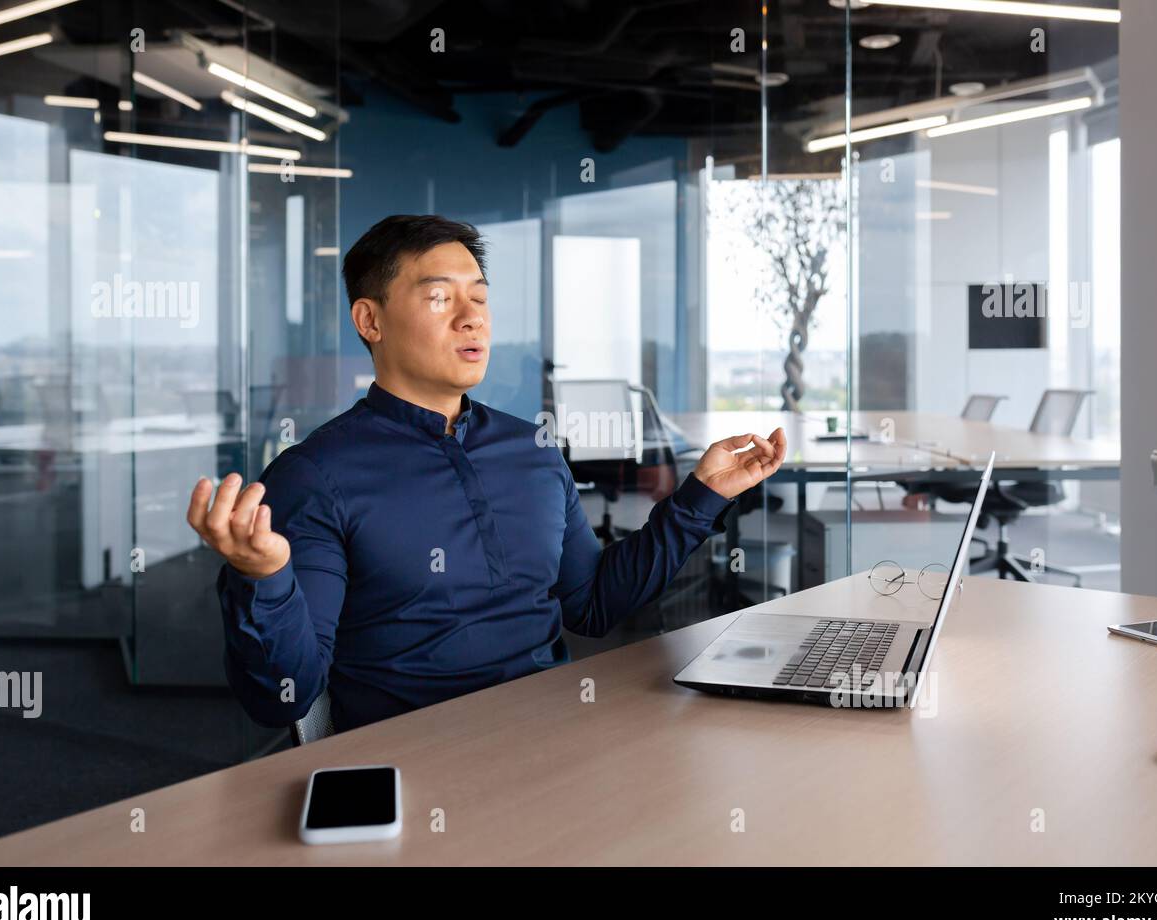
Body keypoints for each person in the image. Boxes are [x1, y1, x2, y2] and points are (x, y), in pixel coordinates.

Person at [186, 214, 787, 732]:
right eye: (441, 297)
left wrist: (700, 497)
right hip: (420, 760)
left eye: (480, 296)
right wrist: (261, 576)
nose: (473, 318)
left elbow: (592, 605)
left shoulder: (533, 449)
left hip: (557, 736)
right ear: (370, 321)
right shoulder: (312, 476)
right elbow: (280, 695)